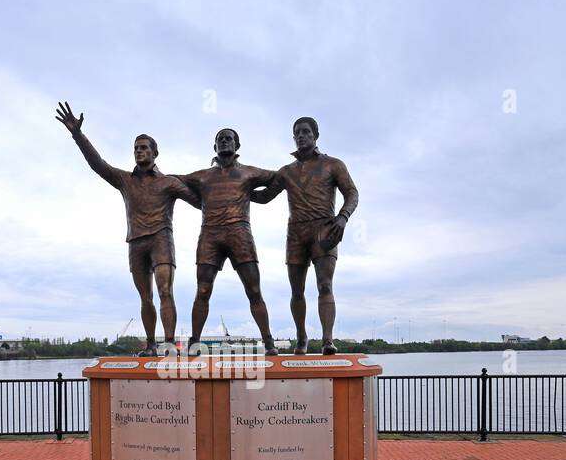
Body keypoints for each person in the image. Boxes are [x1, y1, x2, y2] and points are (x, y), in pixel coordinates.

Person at [55, 101, 199, 356]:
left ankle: (169, 345)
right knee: (146, 298)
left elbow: (200, 201)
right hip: (136, 243)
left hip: (161, 240)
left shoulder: (169, 183)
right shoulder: (125, 180)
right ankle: (152, 345)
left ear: (155, 153)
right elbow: (98, 164)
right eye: (135, 148)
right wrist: (77, 134)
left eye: (144, 148)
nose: (138, 151)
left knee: (166, 290)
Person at [251, 116, 358, 355]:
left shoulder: (333, 164)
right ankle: (301, 337)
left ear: (315, 135)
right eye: (297, 132)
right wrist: (239, 188)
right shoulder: (287, 172)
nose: (301, 136)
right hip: (296, 232)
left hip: (324, 229)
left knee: (324, 285)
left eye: (306, 132)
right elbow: (265, 196)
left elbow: (351, 192)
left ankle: (327, 340)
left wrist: (342, 217)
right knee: (296, 290)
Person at [176, 129, 279, 355]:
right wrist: (199, 202)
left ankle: (268, 341)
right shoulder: (202, 176)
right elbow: (173, 181)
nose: (224, 141)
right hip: (210, 234)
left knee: (253, 289)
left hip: (239, 233)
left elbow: (281, 178)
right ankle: (194, 341)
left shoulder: (249, 173)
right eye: (220, 139)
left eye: (228, 138)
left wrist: (261, 197)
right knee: (202, 290)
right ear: (215, 147)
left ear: (237, 145)